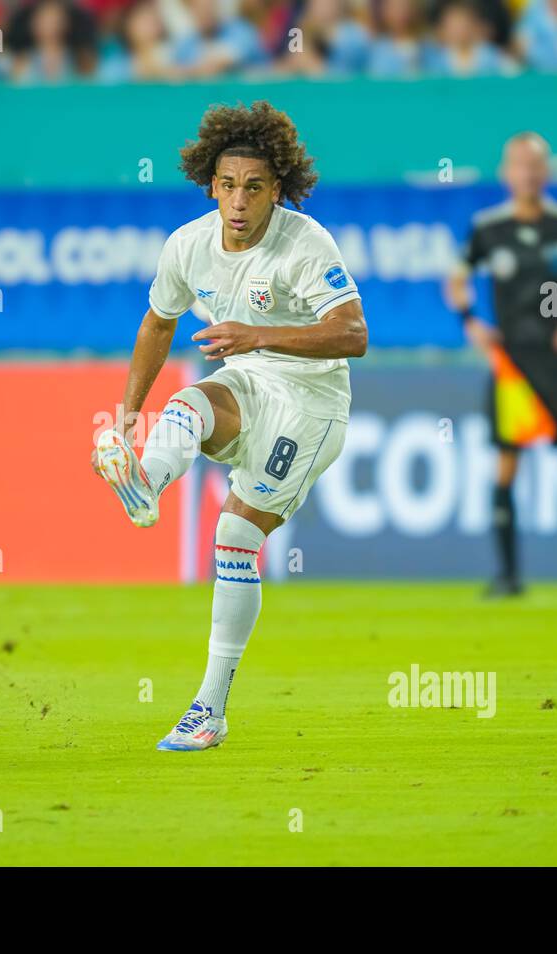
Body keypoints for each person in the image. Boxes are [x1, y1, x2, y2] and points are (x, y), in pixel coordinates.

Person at [92, 101, 367, 751]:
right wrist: (128, 415)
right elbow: (158, 324)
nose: (238, 202)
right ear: (209, 184)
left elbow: (354, 334)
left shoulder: (304, 243)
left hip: (311, 402)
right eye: (227, 186)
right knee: (190, 402)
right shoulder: (188, 246)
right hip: (248, 380)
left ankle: (210, 708)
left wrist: (257, 334)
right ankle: (146, 480)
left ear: (278, 190)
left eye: (254, 187)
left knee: (235, 533)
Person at [445, 133, 557, 598]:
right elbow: (456, 280)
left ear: (548, 173)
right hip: (512, 366)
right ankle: (509, 576)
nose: (529, 174)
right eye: (520, 165)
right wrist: (471, 324)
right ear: (506, 173)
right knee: (505, 464)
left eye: (536, 166)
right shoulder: (487, 228)